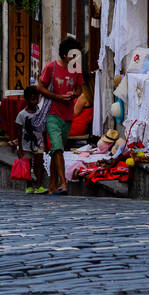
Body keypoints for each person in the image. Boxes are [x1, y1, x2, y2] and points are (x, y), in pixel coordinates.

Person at [38, 37, 87, 195]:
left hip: (68, 114)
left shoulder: (75, 68)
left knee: (56, 149)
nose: (76, 58)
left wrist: (73, 94)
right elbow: (40, 87)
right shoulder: (51, 67)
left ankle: (52, 184)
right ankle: (63, 183)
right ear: (65, 55)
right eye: (74, 55)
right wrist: (56, 97)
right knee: (57, 148)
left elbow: (80, 89)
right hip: (52, 112)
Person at [14, 86, 47, 194]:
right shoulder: (22, 115)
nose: (35, 101)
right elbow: (18, 132)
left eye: (36, 99)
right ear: (27, 100)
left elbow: (44, 129)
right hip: (26, 145)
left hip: (39, 142)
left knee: (39, 163)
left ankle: (38, 185)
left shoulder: (40, 113)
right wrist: (19, 147)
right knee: (27, 165)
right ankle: (29, 185)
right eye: (32, 99)